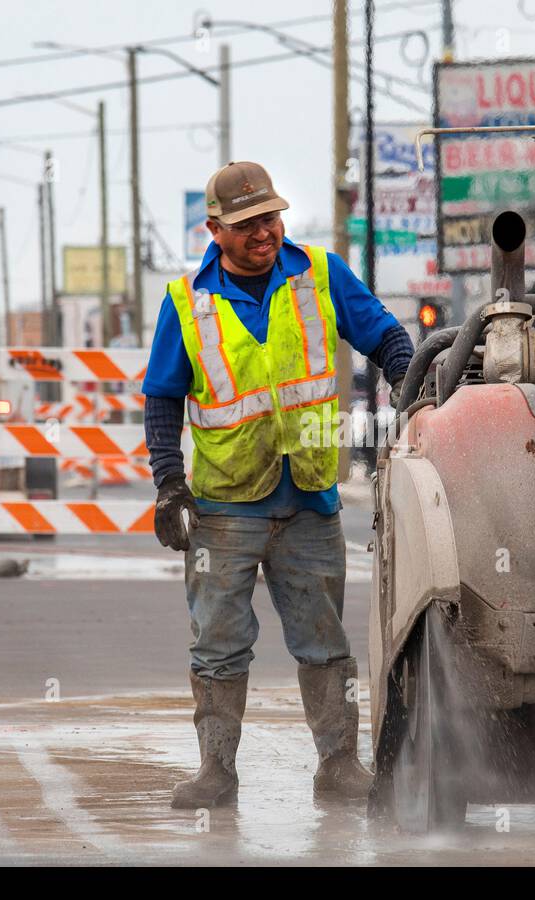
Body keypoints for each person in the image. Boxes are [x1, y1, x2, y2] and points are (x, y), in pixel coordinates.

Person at [142, 160, 414, 809]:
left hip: (310, 502)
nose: (264, 232)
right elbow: (162, 398)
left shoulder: (319, 275)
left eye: (270, 217)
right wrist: (168, 486)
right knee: (217, 643)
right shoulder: (188, 303)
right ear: (215, 229)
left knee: (325, 642)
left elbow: (389, 340)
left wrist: (410, 394)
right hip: (223, 506)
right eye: (246, 224)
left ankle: (340, 764)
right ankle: (217, 772)